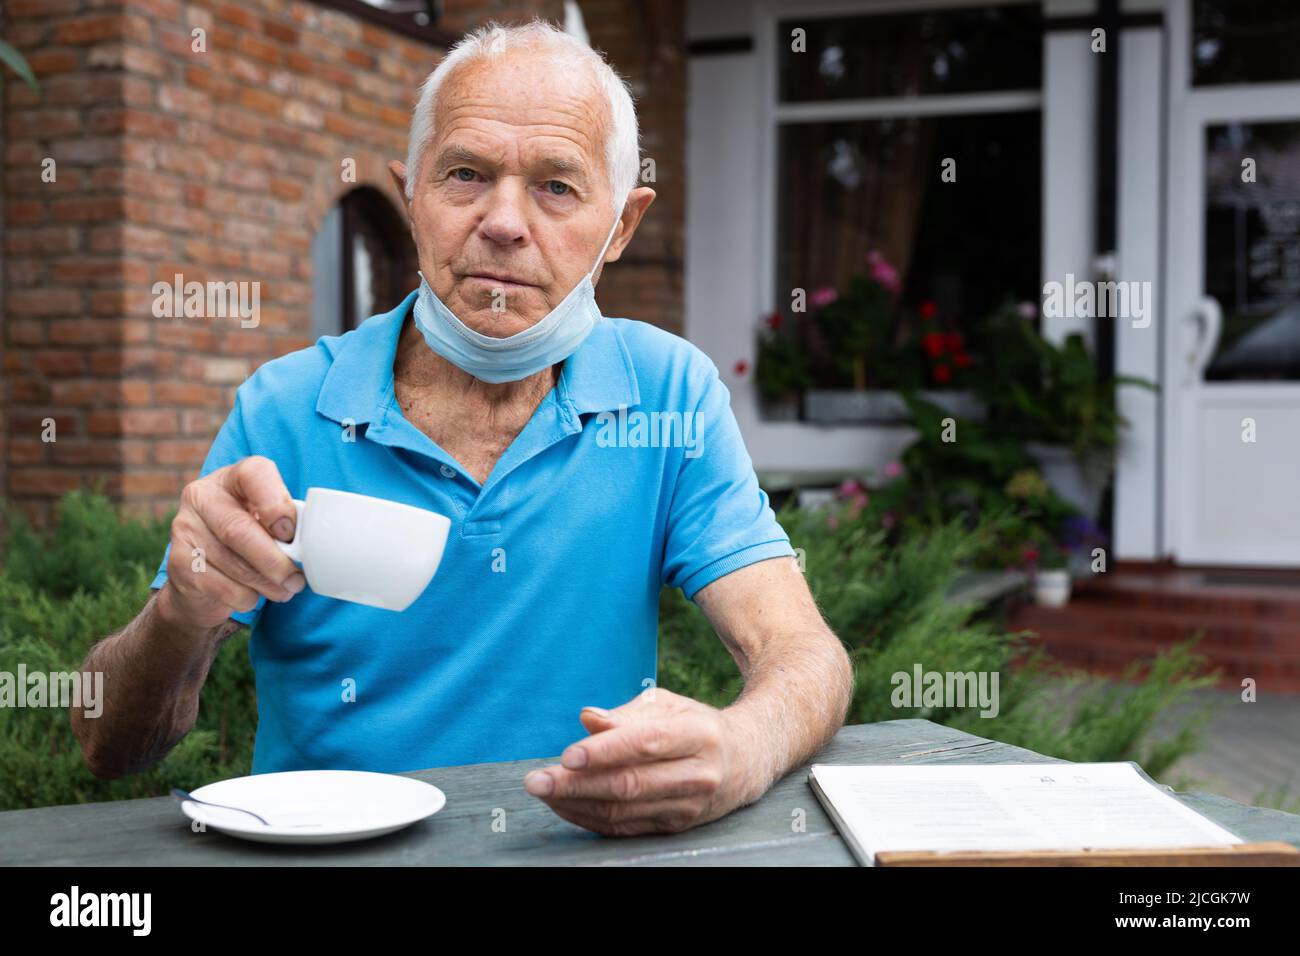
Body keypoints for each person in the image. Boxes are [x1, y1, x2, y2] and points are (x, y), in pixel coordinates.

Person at [71, 19, 852, 837]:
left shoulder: (670, 395)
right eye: (466, 174)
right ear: (412, 196)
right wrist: (180, 618)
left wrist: (743, 744)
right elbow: (108, 748)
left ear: (621, 225)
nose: (504, 222)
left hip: (578, 856)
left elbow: (804, 653)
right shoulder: (284, 405)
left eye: (556, 185)